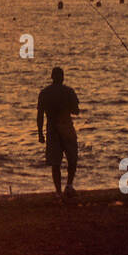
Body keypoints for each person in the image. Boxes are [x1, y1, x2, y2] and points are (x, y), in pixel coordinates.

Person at [36, 66, 82, 200]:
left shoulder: (44, 93)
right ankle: (69, 185)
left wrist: (40, 133)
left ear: (52, 77)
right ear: (62, 77)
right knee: (72, 158)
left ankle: (58, 191)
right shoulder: (69, 91)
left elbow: (40, 115)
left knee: (55, 162)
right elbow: (76, 111)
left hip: (52, 128)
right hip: (66, 127)